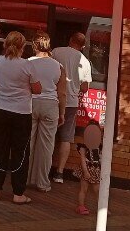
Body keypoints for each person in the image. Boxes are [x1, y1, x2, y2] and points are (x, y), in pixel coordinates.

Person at [0, 31, 41, 205]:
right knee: (21, 152)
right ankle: (18, 193)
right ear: (23, 47)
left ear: (5, 44)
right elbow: (38, 89)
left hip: (1, 110)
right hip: (22, 113)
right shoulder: (27, 65)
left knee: (0, 148)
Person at [50, 31, 92, 184]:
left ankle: (44, 167)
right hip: (71, 103)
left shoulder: (56, 52)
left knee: (49, 135)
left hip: (53, 99)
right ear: (82, 46)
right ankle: (59, 173)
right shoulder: (85, 61)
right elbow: (85, 87)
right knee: (66, 138)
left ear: (70, 39)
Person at [27, 32, 66, 192]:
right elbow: (62, 93)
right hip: (51, 105)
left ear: (34, 46)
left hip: (30, 104)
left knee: (27, 143)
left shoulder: (27, 63)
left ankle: (25, 178)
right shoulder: (58, 66)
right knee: (47, 146)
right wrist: (62, 113)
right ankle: (42, 183)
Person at [73, 121, 103, 215]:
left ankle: (101, 208)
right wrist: (85, 171)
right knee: (83, 189)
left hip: (96, 170)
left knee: (97, 190)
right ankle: (81, 206)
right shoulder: (83, 147)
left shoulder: (100, 146)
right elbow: (82, 159)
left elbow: (101, 158)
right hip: (86, 169)